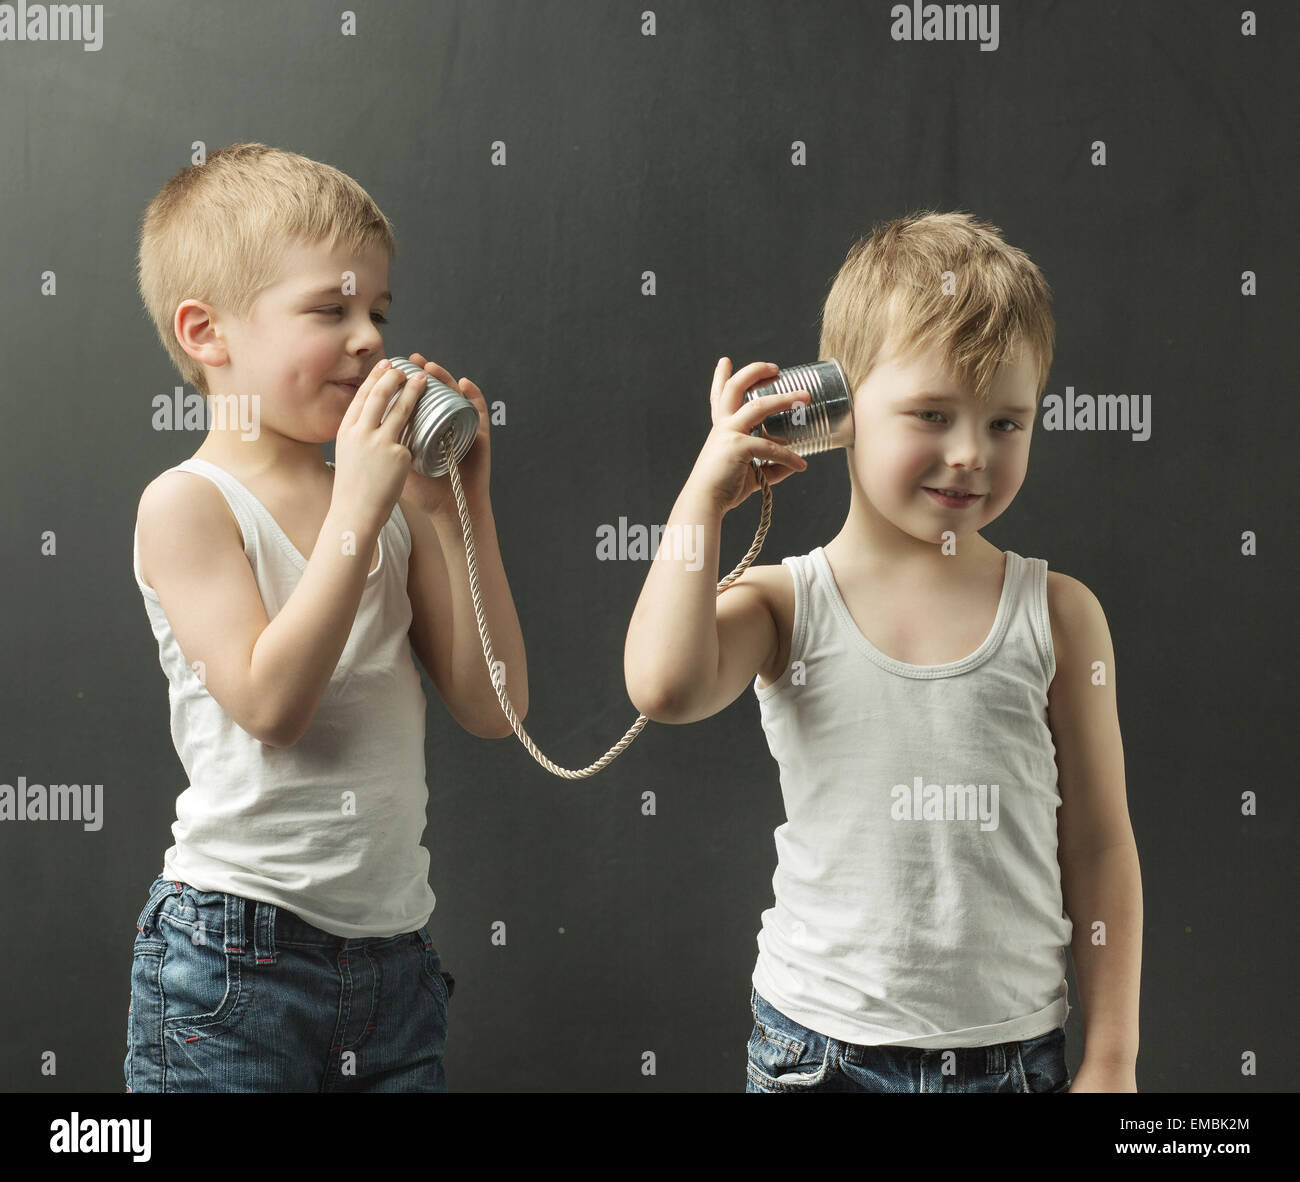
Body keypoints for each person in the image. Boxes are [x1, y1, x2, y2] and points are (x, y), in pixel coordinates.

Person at [624, 210, 1141, 1093]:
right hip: (819, 1054)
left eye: (1007, 423)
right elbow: (663, 687)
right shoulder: (785, 603)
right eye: (932, 414)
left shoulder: (1059, 615)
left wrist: (1112, 1056)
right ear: (832, 409)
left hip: (1014, 1058)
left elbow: (1097, 845)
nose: (971, 453)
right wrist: (702, 503)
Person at [125, 142, 528, 1092]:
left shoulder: (389, 504)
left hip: (392, 958)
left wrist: (452, 514)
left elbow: (493, 704)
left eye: (378, 312)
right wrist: (358, 509)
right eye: (330, 309)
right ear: (207, 333)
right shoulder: (189, 505)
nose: (370, 340)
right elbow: (273, 704)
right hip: (234, 956)